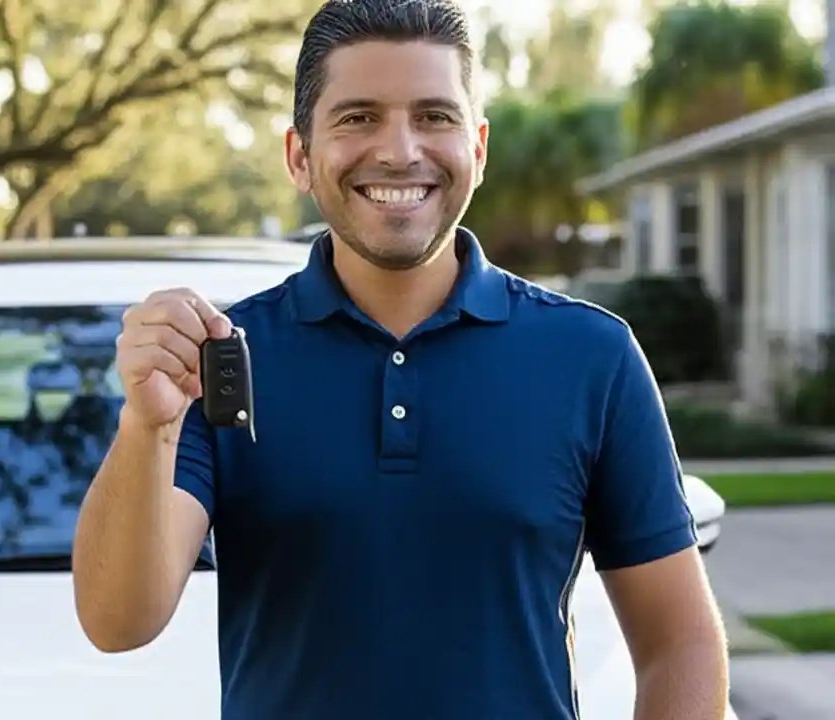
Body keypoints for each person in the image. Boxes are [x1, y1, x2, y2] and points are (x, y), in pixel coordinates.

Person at [71, 0, 731, 717]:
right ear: (299, 156)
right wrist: (147, 426)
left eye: (434, 116)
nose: (399, 151)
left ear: (478, 148)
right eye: (358, 117)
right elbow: (116, 622)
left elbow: (681, 645)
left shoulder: (590, 357)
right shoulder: (221, 360)